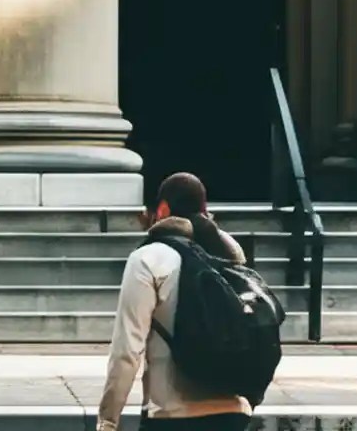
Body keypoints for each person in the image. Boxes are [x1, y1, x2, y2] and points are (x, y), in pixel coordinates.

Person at [97, 172, 252, 431]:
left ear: (163, 209)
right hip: (233, 413)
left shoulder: (149, 258)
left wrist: (108, 420)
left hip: (171, 415)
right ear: (205, 210)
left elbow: (127, 350)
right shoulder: (229, 253)